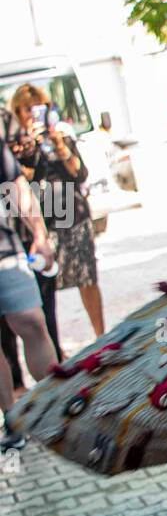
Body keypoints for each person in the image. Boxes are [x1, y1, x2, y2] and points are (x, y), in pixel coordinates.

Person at [8, 83, 104, 338]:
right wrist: (27, 149)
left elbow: (81, 173)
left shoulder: (61, 133)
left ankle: (101, 335)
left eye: (38, 108)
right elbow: (19, 185)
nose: (32, 114)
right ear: (16, 112)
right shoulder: (13, 146)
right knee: (45, 291)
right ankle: (54, 349)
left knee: (87, 278)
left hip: (72, 213)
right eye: (26, 109)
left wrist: (59, 146)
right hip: (42, 221)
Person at [0, 130, 57, 442]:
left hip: (5, 251)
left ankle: (54, 404)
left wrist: (40, 233)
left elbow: (16, 187)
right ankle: (12, 418)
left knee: (32, 322)